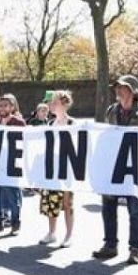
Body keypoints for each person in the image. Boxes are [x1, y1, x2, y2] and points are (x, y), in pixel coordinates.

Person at [92, 75, 138, 264]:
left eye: (123, 88)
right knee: (108, 207)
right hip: (114, 166)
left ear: (134, 91)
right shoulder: (112, 110)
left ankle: (135, 248)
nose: (118, 91)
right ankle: (110, 245)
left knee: (135, 210)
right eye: (117, 88)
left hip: (135, 168)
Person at [0, 94, 27, 235]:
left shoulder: (18, 122)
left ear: (12, 107)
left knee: (12, 194)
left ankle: (15, 223)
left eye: (5, 105)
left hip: (11, 164)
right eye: (0, 105)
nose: (2, 108)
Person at [39, 90, 77, 247]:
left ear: (63, 104)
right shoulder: (49, 124)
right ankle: (52, 232)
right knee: (51, 201)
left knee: (67, 203)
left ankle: (69, 235)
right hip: (52, 168)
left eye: (53, 102)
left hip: (67, 168)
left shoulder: (73, 124)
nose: (50, 105)